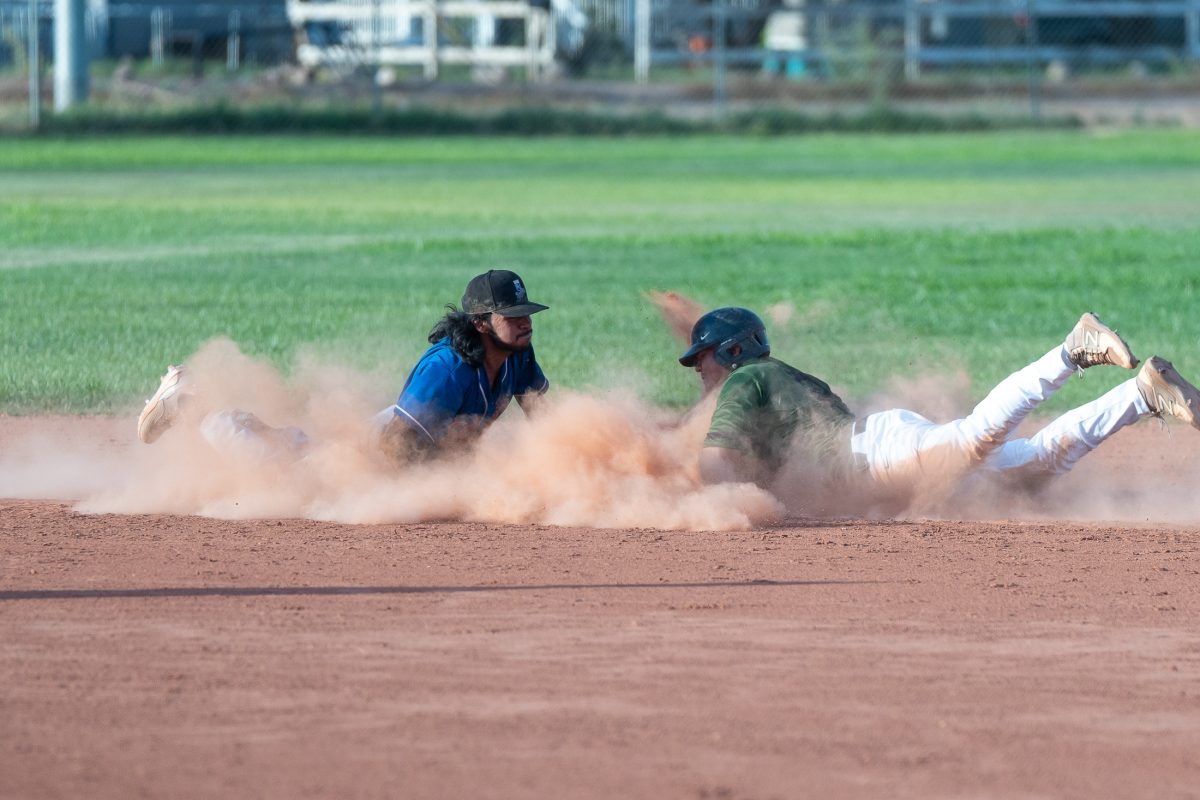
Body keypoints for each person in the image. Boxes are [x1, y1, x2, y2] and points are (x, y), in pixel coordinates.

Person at [678, 307, 1200, 508]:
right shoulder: (779, 376)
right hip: (885, 455)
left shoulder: (744, 380)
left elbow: (714, 466)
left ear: (734, 351)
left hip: (879, 457)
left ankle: (1072, 351)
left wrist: (701, 503)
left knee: (976, 437)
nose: (699, 368)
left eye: (703, 357)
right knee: (1033, 469)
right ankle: (1140, 396)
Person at [136, 269, 550, 462]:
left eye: (525, 313)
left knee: (300, 449)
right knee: (281, 474)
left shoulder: (518, 354)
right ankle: (189, 406)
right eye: (512, 315)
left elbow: (545, 418)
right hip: (381, 450)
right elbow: (400, 446)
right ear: (480, 323)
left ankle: (239, 420)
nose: (524, 322)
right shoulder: (447, 370)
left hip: (398, 447)